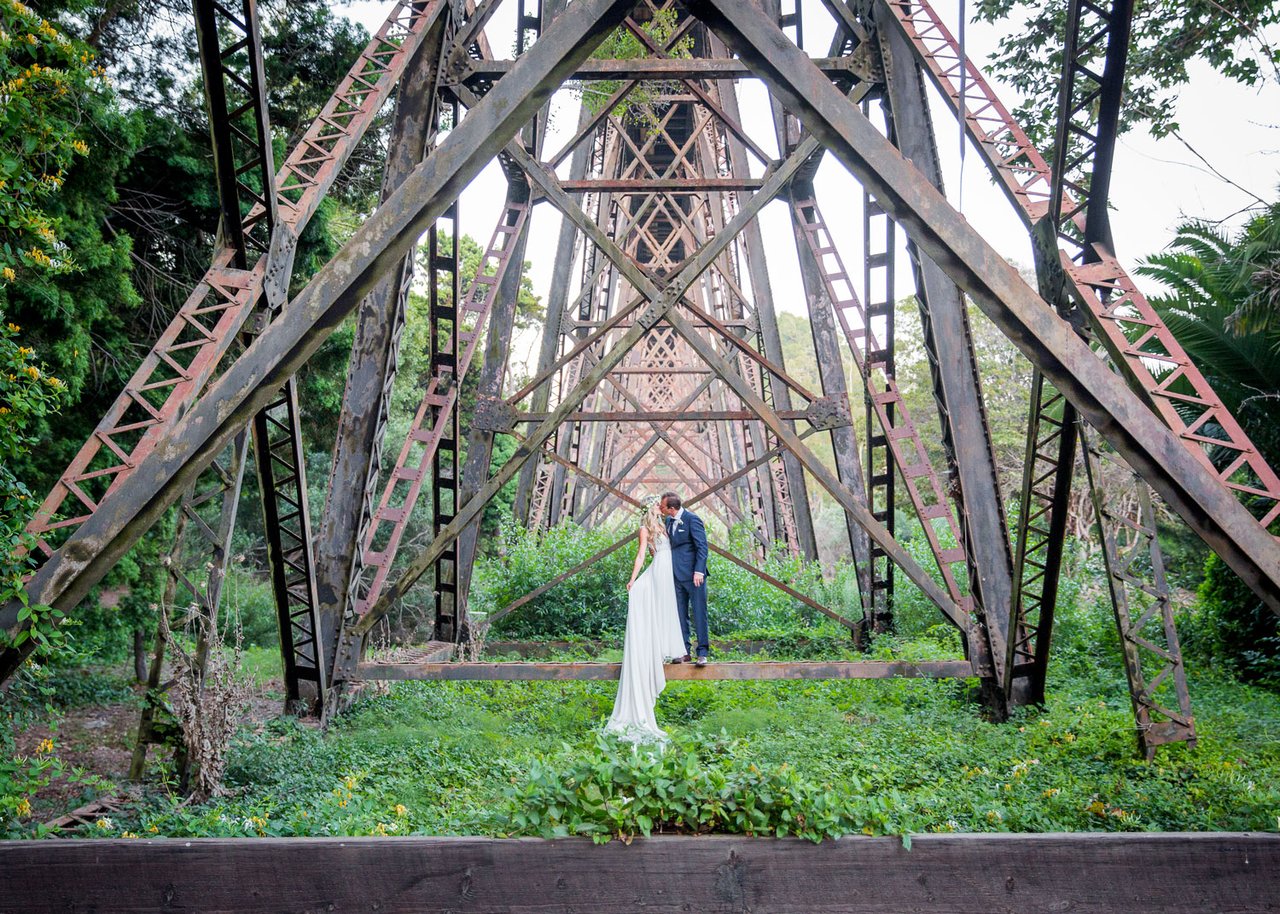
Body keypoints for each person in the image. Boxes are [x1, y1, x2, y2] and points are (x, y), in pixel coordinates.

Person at [605, 497, 687, 742]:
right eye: (657, 509)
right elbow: (640, 556)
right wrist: (632, 579)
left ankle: (663, 645)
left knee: (667, 608)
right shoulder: (645, 530)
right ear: (651, 512)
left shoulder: (666, 526)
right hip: (657, 570)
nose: (659, 511)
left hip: (666, 570)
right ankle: (654, 646)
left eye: (660, 508)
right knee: (659, 605)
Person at [661, 491, 709, 666]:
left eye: (663, 506)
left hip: (693, 576)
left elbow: (702, 547)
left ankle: (702, 652)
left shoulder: (692, 519)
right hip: (675, 575)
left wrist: (699, 571)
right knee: (680, 615)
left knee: (699, 613)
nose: (661, 508)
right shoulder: (668, 520)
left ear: (672, 508)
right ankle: (684, 652)